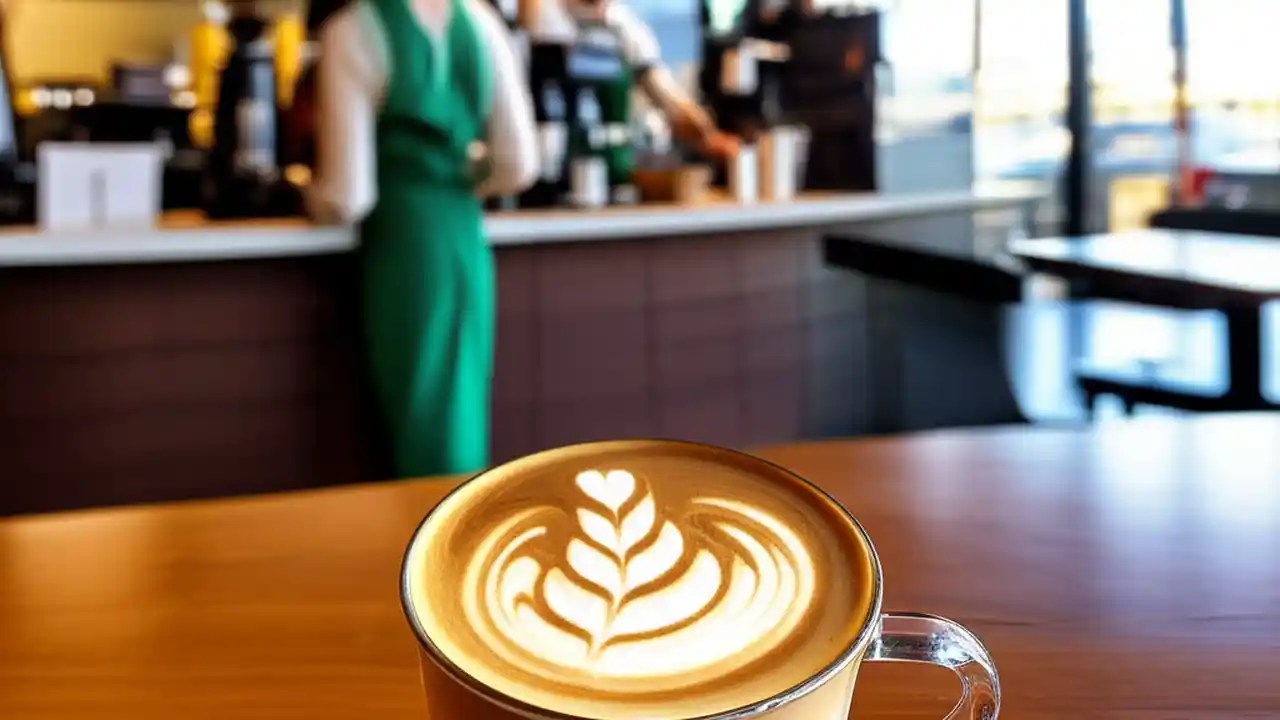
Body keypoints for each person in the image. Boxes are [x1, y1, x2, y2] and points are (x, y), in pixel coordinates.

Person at [308, 0, 539, 477]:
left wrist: (306, 197)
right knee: (462, 411)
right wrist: (460, 173)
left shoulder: (352, 29)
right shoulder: (482, 22)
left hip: (404, 247)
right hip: (465, 239)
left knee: (417, 420)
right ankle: (456, 539)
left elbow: (347, 196)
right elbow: (519, 165)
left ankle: (423, 543)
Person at [531, 0, 739, 161]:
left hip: (613, 160)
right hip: (548, 161)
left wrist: (702, 130)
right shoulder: (541, 18)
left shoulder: (623, 25)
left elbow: (661, 89)